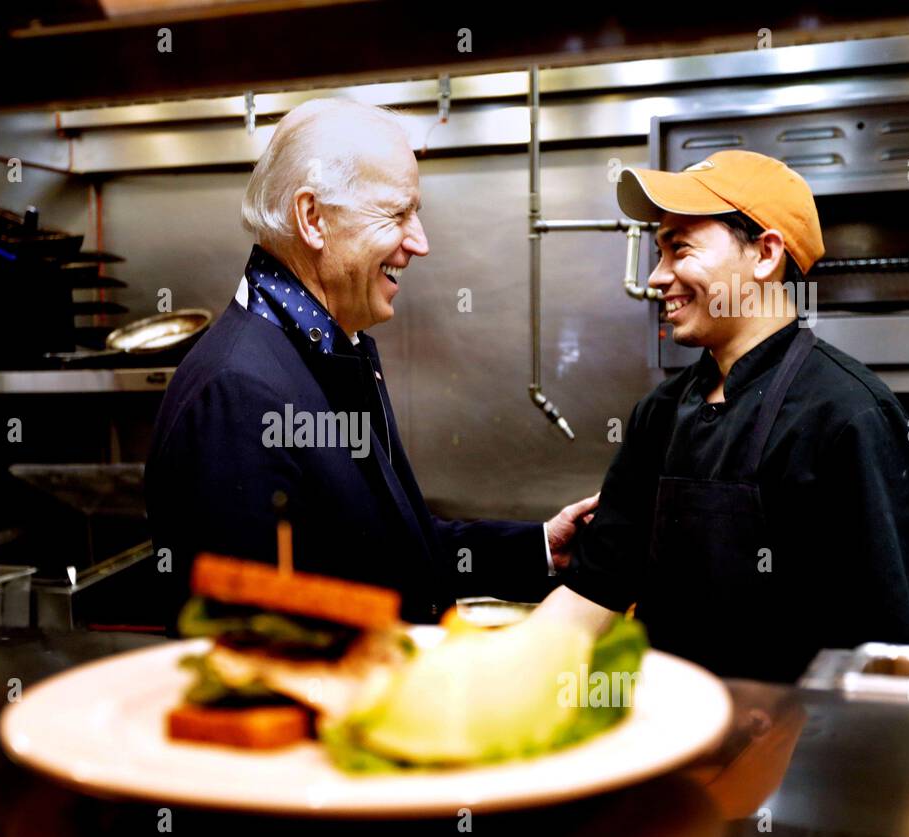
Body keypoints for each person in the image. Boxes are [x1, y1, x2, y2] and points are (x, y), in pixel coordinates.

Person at [145, 99, 596, 626]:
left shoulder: (332, 349)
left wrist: (541, 547)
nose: (419, 242)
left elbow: (389, 549)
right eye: (397, 213)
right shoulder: (237, 392)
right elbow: (256, 644)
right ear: (312, 218)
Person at [535, 150, 909, 682]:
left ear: (764, 254)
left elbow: (900, 649)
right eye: (658, 252)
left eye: (679, 248)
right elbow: (596, 589)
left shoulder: (850, 415)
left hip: (805, 755)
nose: (658, 277)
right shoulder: (658, 413)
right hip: (675, 742)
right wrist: (489, 684)